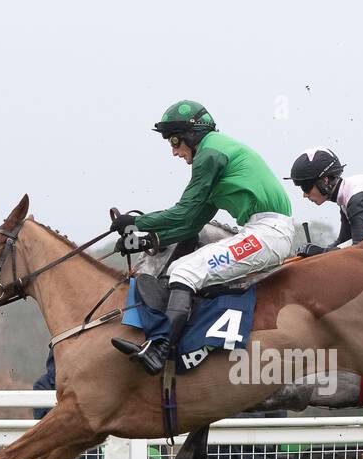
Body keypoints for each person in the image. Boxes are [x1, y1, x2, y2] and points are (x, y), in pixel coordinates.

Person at [110, 100, 295, 375]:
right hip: (262, 230)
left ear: (192, 133)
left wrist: (137, 222)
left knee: (185, 270)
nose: (173, 151)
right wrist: (146, 240)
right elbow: (190, 223)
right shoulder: (218, 152)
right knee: (177, 268)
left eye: (174, 140)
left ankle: (161, 348)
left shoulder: (210, 154)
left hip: (269, 232)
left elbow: (182, 211)